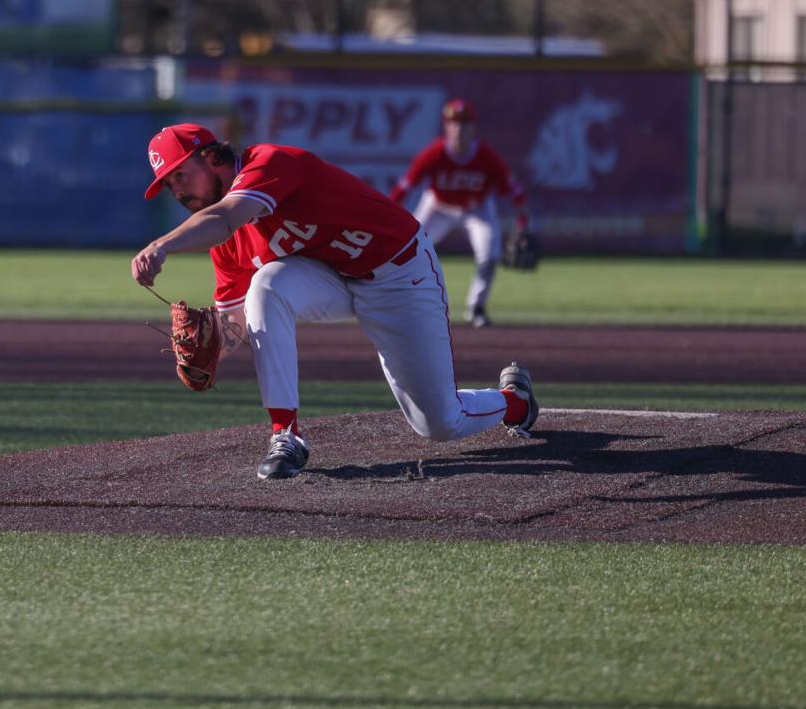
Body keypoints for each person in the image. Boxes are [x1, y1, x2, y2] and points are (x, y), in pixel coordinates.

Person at [131, 122, 539, 481]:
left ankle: (514, 403)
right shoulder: (225, 244)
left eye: (180, 175)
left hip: (397, 274)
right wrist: (207, 357)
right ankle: (285, 435)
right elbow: (237, 325)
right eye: (170, 185)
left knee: (438, 424)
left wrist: (162, 245)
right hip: (334, 278)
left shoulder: (269, 163)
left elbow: (224, 217)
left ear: (211, 157)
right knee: (267, 286)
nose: (178, 191)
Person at [389, 97, 530, 328]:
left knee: (489, 255)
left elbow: (516, 193)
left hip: (477, 209)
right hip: (438, 206)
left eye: (464, 123)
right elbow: (404, 188)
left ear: (473, 128)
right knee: (408, 249)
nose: (459, 129)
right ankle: (402, 304)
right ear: (446, 127)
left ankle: (476, 308)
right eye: (453, 123)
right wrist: (388, 216)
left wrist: (523, 224)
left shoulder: (486, 156)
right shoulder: (433, 153)